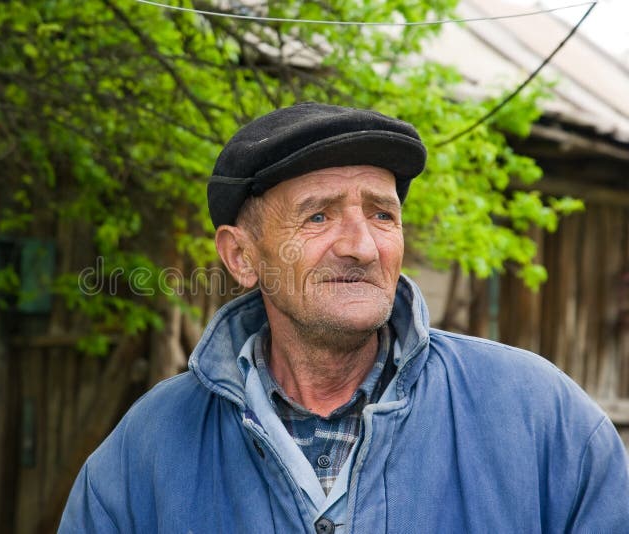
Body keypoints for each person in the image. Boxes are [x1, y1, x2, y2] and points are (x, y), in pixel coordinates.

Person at [59, 103, 629, 533]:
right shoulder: (148, 449)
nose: (360, 246)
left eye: (382, 214)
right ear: (242, 256)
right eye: (318, 217)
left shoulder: (541, 419)